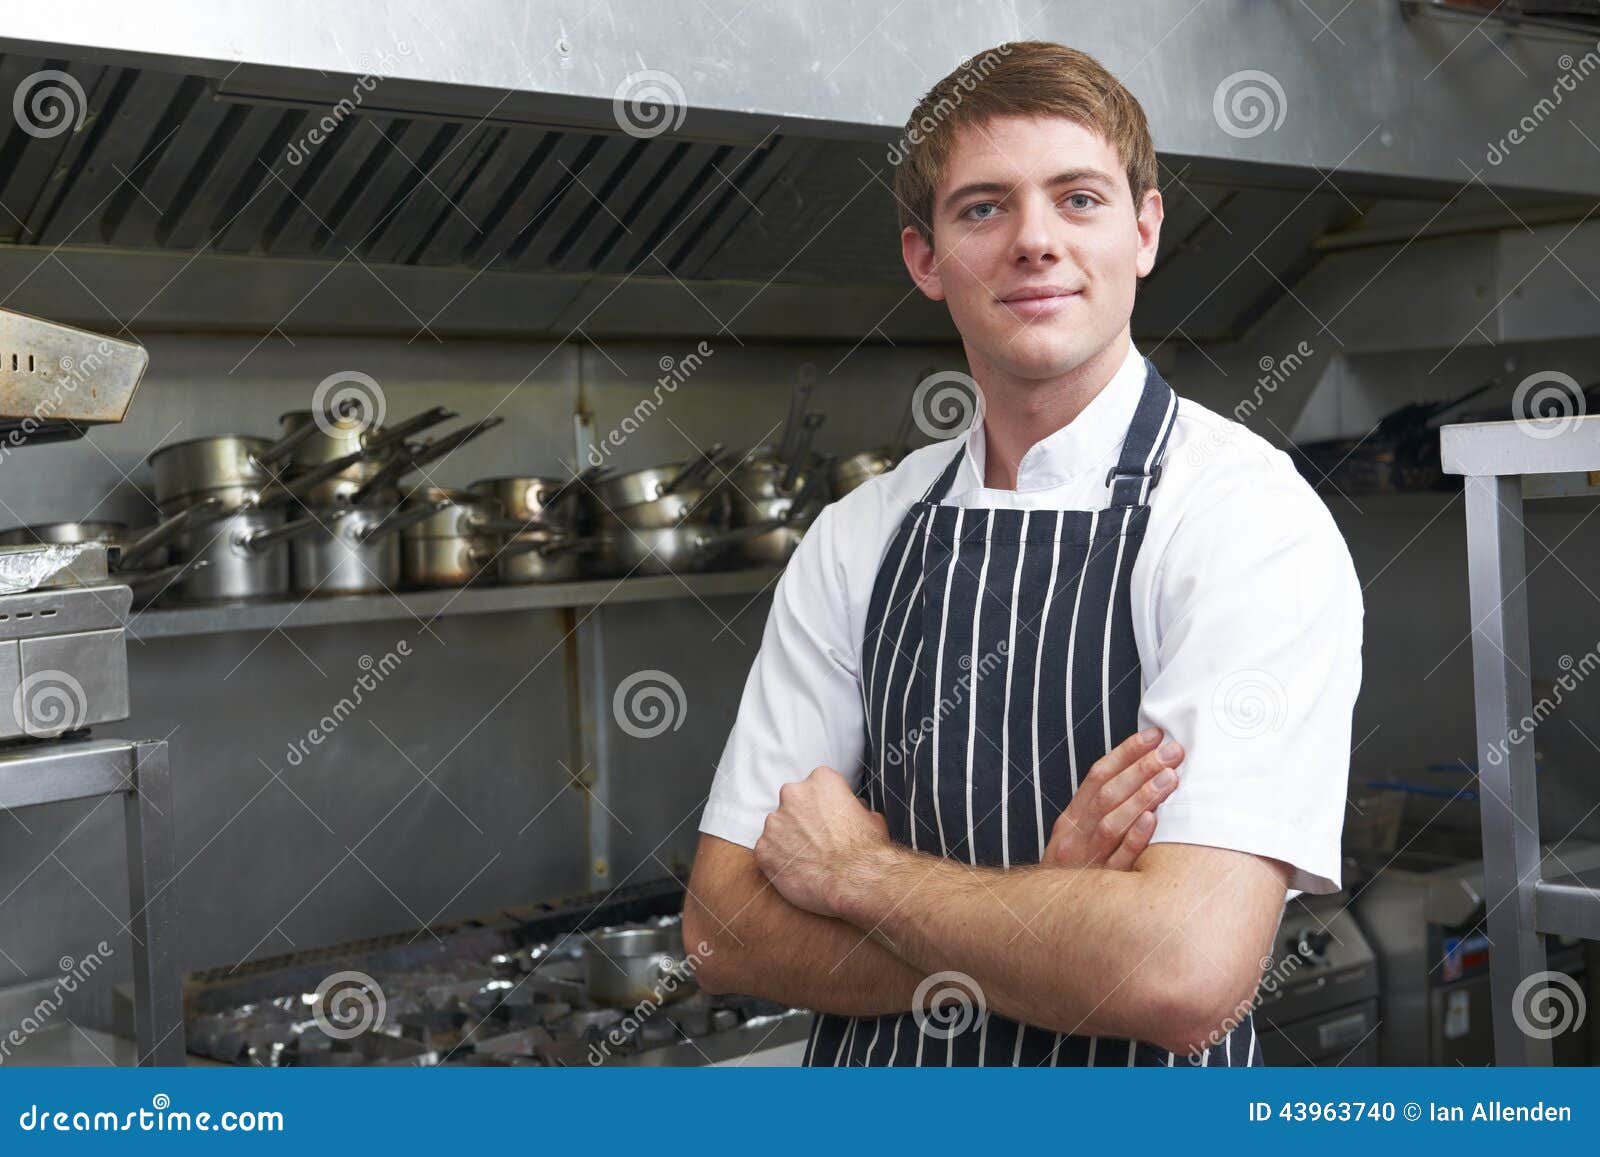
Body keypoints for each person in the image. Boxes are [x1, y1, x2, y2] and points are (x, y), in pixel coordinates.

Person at [682, 40, 1363, 1067]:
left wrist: (866, 876)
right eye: (983, 207)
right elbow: (721, 929)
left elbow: (1179, 972)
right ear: (925, 258)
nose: (1034, 241)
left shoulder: (1241, 518)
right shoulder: (861, 533)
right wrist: (1051, 912)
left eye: (1078, 199)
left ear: (1143, 231)